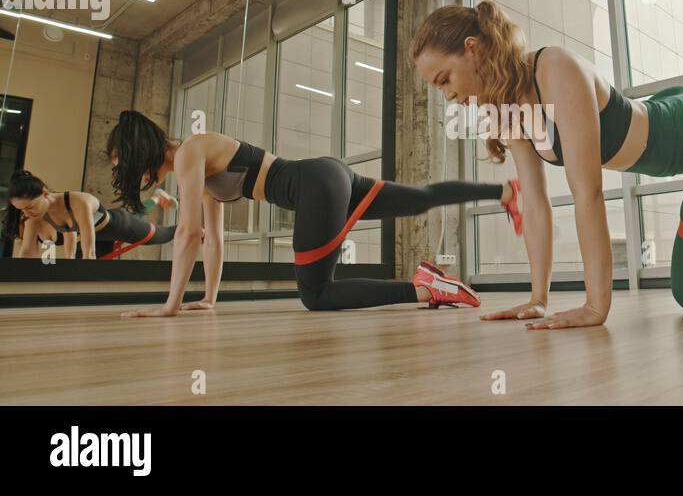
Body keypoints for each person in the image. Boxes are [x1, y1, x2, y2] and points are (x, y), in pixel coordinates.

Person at [411, 0, 683, 329]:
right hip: (675, 111)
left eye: (443, 79)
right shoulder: (505, 106)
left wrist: (595, 307)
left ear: (472, 49)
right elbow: (537, 207)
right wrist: (538, 297)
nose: (446, 94)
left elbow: (587, 196)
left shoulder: (554, 70)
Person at [104, 111, 521, 317]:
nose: (116, 169)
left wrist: (170, 306)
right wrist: (209, 298)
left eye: (118, 159)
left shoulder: (189, 154)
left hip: (314, 186)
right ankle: (504, 191)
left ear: (136, 153)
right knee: (417, 198)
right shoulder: (194, 164)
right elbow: (211, 237)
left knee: (316, 295)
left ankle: (428, 288)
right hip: (324, 175)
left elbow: (187, 235)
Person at [2, 169, 176, 259]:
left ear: (45, 194)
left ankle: (189, 228)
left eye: (29, 207)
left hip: (116, 226)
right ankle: (156, 197)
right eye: (22, 210)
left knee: (161, 235)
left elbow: (88, 248)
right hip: (96, 241)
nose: (26, 214)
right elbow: (27, 253)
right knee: (136, 212)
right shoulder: (34, 217)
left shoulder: (77, 202)